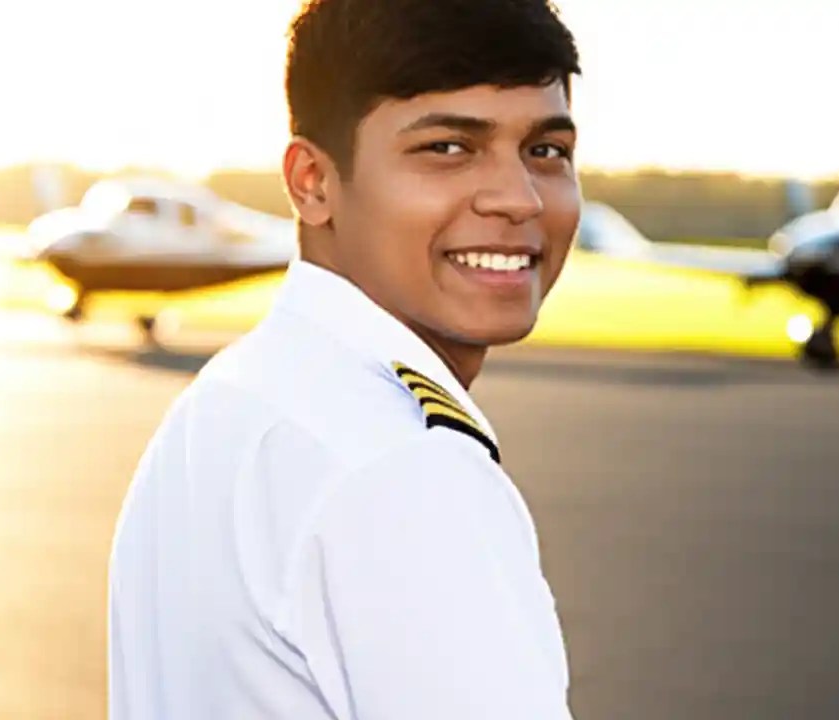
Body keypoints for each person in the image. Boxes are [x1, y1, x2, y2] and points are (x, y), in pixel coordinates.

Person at [108, 0, 583, 717]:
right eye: (448, 148)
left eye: (546, 150)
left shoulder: (232, 399)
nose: (517, 199)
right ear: (313, 182)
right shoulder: (405, 467)